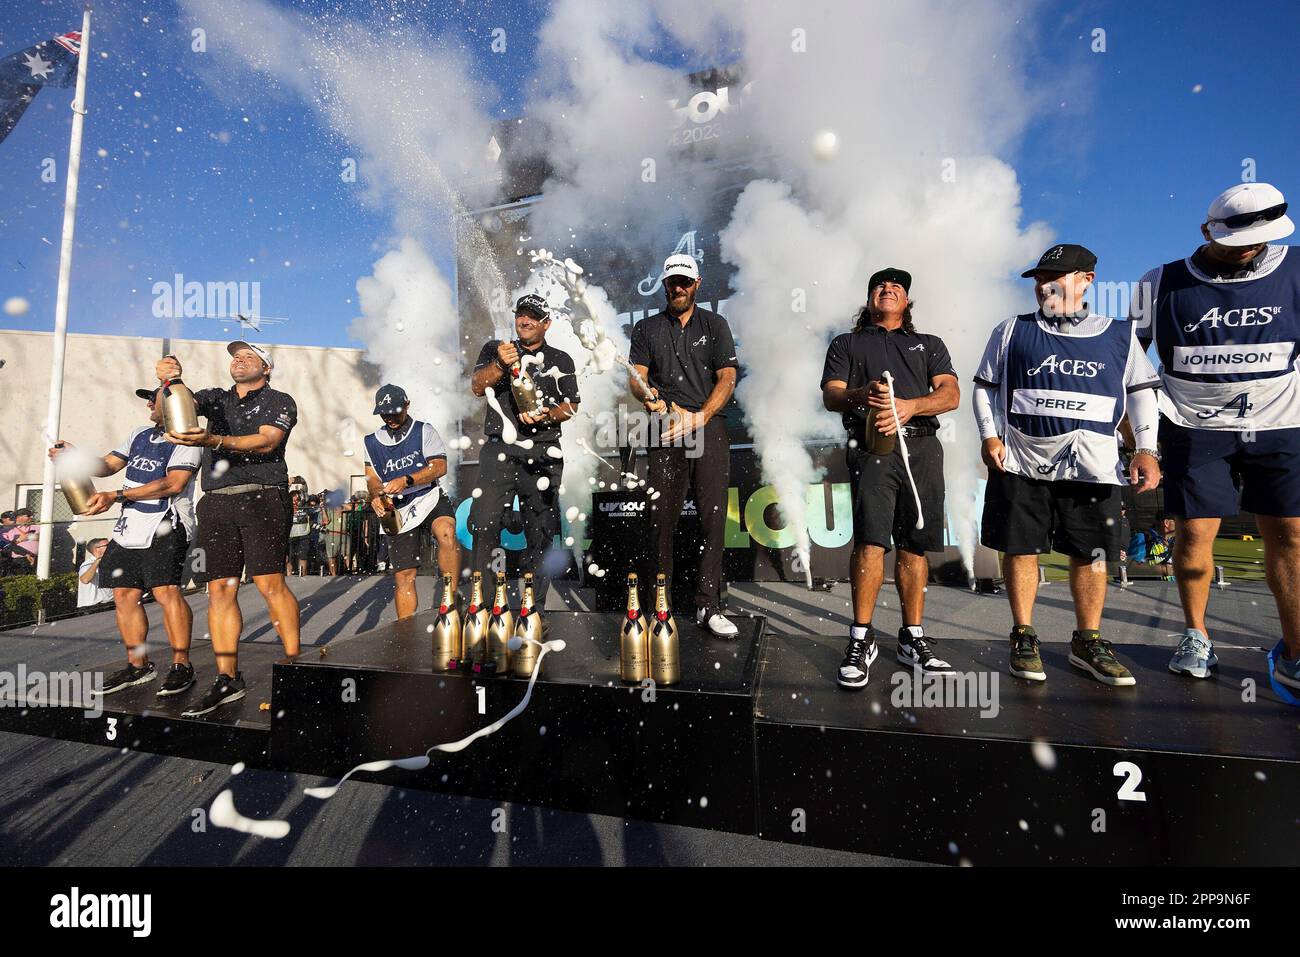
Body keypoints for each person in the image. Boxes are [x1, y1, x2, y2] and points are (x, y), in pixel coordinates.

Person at [1131, 182, 1300, 688]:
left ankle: (1295, 651)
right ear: (1207, 231)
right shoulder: (1157, 283)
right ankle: (1196, 636)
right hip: (1193, 427)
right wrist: (1141, 439)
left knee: (1290, 536)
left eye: (1262, 238)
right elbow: (1128, 361)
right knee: (1195, 534)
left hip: (1280, 426)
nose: (1252, 248)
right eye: (1240, 240)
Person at [974, 244, 1162, 686]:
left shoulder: (1118, 333)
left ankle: (1087, 641)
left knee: (1089, 553)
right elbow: (985, 386)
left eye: (1054, 277)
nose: (1043, 286)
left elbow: (1140, 393)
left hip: (1094, 468)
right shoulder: (1010, 330)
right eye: (1039, 278)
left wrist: (1147, 449)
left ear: (1086, 280)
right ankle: (1023, 635)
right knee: (1019, 548)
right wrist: (989, 434)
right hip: (1021, 461)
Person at [821, 267, 961, 687]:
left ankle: (911, 637)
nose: (888, 289)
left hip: (921, 447)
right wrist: (862, 395)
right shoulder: (847, 343)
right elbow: (831, 395)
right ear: (869, 299)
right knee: (870, 542)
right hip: (872, 446)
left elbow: (951, 395)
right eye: (880, 285)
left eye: (897, 286)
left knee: (914, 545)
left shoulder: (929, 343)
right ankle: (861, 637)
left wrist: (911, 406)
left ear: (907, 301)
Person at [156, 341, 301, 716]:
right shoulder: (216, 398)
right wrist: (171, 381)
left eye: (248, 356)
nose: (238, 360)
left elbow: (267, 442)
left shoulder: (279, 400)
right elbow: (167, 410)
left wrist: (215, 440)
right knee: (218, 588)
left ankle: (295, 665)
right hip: (217, 498)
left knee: (270, 583)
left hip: (263, 495)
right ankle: (227, 678)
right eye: (235, 356)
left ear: (266, 368)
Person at [50, 385, 202, 695]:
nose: (148, 405)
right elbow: (107, 466)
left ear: (174, 405)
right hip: (129, 526)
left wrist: (116, 496)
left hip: (165, 523)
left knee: (166, 592)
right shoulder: (139, 434)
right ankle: (138, 666)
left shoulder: (189, 438)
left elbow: (172, 484)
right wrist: (73, 457)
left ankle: (181, 664)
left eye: (154, 399)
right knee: (123, 595)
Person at [627, 254, 739, 637]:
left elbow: (727, 378)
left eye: (685, 282)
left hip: (708, 430)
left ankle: (709, 606)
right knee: (660, 522)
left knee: (712, 519)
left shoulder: (716, 324)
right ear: (664, 285)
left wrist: (700, 417)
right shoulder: (645, 328)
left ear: (697, 284)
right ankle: (662, 606)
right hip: (665, 431)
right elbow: (636, 379)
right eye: (673, 282)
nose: (679, 288)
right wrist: (651, 398)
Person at [469, 294, 580, 606]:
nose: (525, 320)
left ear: (547, 323)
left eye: (534, 316)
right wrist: (501, 364)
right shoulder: (496, 349)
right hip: (499, 449)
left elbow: (571, 407)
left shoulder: (561, 359)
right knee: (485, 524)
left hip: (544, 450)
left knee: (541, 530)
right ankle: (487, 609)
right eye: (521, 314)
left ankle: (533, 609)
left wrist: (547, 414)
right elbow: (478, 386)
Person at [363, 385, 461, 618]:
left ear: (407, 405)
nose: (390, 418)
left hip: (428, 495)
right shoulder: (371, 441)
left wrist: (407, 480)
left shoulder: (424, 431)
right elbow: (372, 479)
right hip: (398, 508)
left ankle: (452, 599)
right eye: (385, 413)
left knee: (446, 532)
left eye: (395, 412)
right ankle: (405, 629)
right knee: (404, 576)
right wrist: (376, 495)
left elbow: (439, 467)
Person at [76, 538, 113, 608]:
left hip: (110, 604)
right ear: (97, 549)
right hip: (92, 607)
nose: (111, 547)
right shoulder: (87, 564)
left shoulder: (109, 563)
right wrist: (97, 561)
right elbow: (85, 579)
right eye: (107, 545)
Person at [287, 490, 313, 576]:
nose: (295, 502)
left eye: (297, 500)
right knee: (289, 558)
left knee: (303, 556)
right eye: (293, 500)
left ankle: (302, 575)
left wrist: (295, 480)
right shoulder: (287, 507)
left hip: (304, 535)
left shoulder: (304, 505)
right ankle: (289, 576)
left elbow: (304, 486)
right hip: (290, 535)